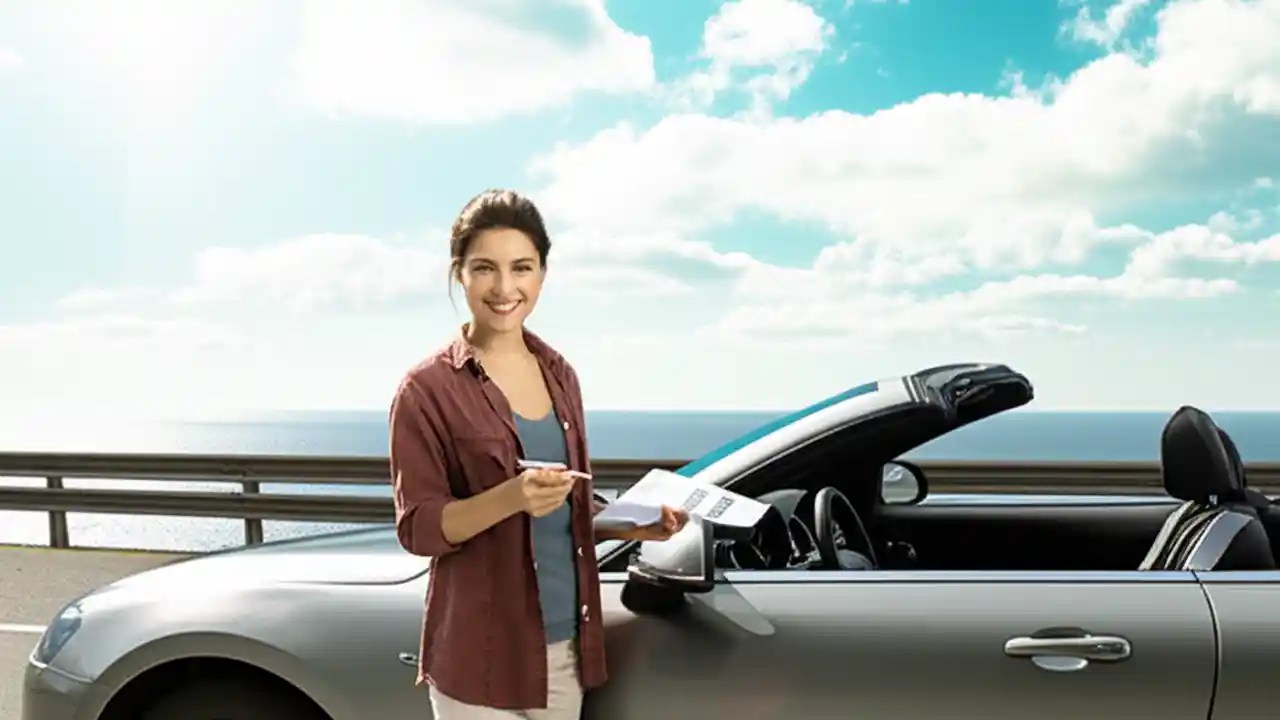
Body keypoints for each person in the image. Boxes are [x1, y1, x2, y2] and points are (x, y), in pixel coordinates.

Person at [389, 188, 689, 719]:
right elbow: (419, 529)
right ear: (459, 273)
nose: (505, 288)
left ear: (542, 275)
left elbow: (563, 508)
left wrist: (626, 525)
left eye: (521, 268)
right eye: (485, 268)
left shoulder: (560, 374)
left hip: (564, 650)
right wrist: (510, 497)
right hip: (478, 657)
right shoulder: (426, 389)